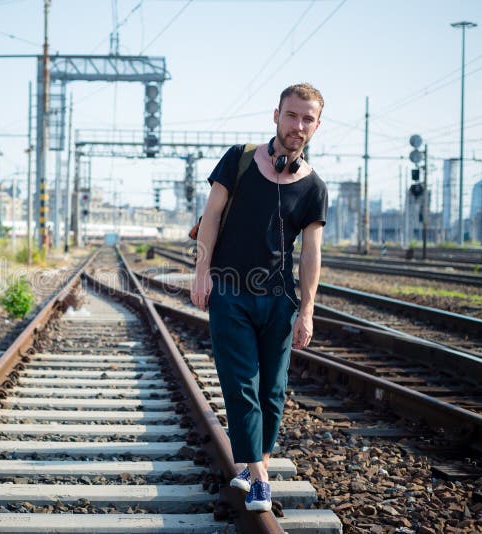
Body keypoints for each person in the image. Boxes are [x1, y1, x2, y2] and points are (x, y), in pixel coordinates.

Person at [190, 83, 327, 512]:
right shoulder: (240, 159)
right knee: (241, 384)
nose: (298, 126)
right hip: (230, 291)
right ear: (276, 115)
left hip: (279, 300)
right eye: (292, 115)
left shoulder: (313, 187)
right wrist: (201, 272)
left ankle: (254, 466)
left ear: (316, 126)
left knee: (273, 390)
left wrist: (306, 309)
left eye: (307, 119)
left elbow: (311, 253)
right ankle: (261, 477)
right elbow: (211, 217)